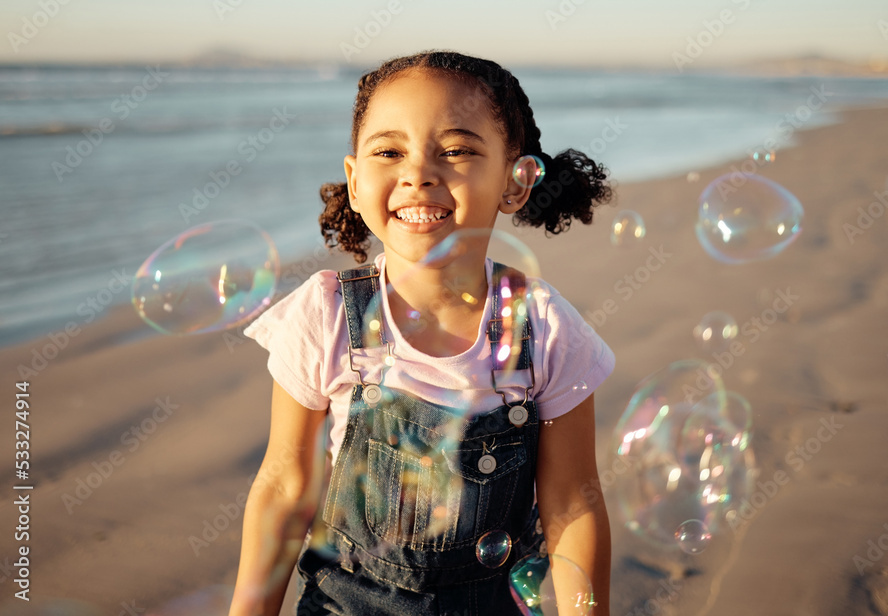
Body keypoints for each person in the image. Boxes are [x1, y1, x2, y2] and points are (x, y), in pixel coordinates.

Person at [229, 50, 615, 616]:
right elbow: (285, 485)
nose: (418, 173)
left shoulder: (543, 326)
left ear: (516, 181)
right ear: (356, 183)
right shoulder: (329, 313)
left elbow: (571, 502)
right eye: (390, 151)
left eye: (456, 151)